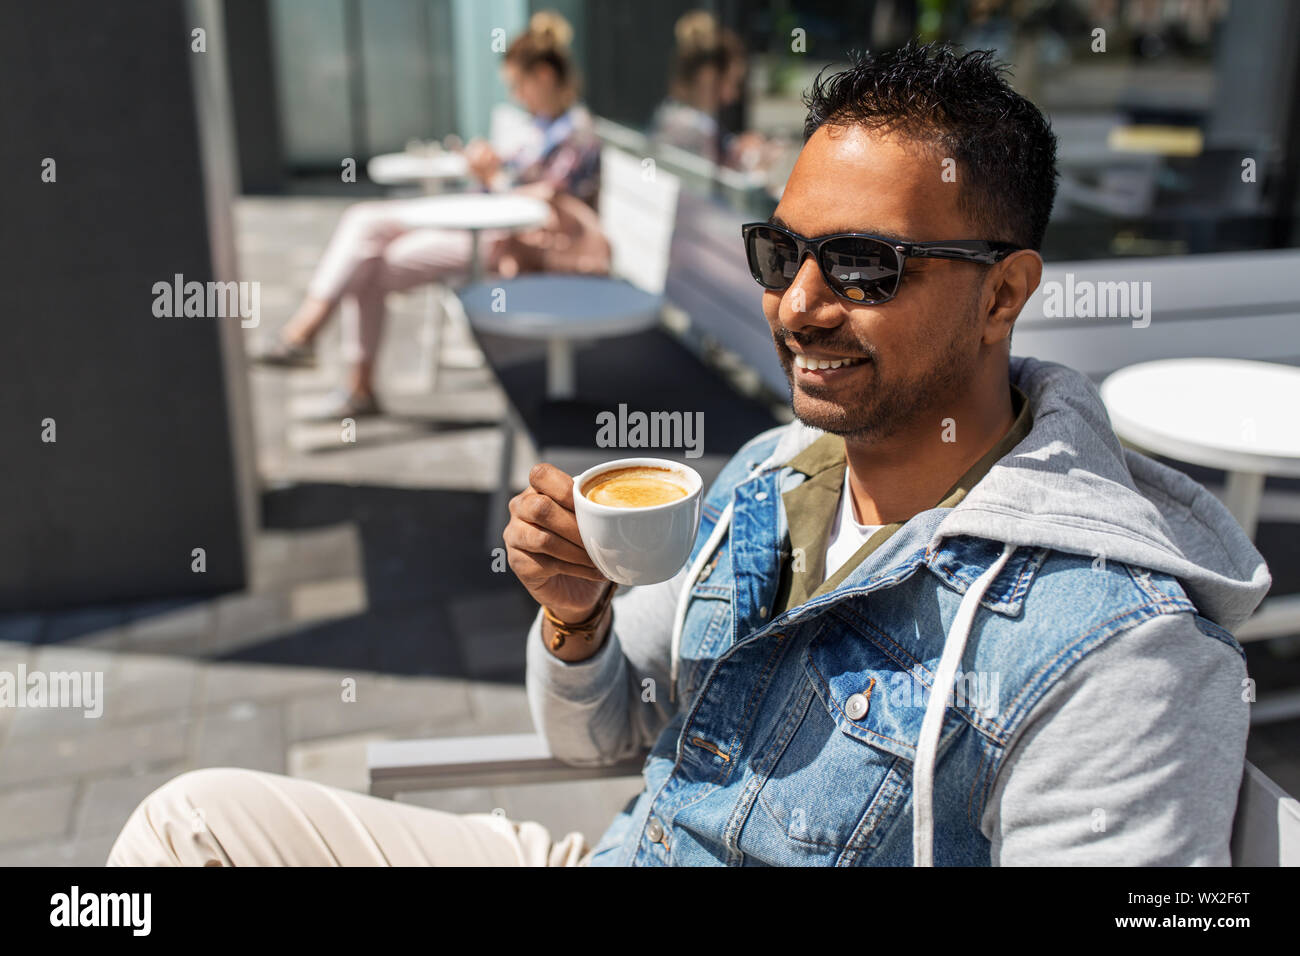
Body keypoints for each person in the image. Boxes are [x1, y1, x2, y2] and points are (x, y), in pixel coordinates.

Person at [107, 42, 1268, 867]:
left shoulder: (1118, 654)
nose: (800, 305)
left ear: (1003, 292)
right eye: (782, 251)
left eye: (864, 264)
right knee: (190, 825)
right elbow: (595, 736)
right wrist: (575, 618)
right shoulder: (772, 474)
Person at [255, 10, 605, 419]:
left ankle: (321, 350)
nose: (515, 95)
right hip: (484, 226)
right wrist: (488, 167)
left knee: (367, 252)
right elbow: (516, 180)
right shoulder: (541, 126)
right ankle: (328, 357)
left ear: (544, 75)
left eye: (518, 84)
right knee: (364, 229)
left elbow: (538, 208)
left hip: (507, 243)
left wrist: (494, 177)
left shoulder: (576, 135)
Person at [647, 10, 772, 172]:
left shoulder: (671, 116)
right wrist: (755, 165)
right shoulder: (693, 129)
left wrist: (736, 148)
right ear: (708, 77)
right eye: (731, 83)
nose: (733, 96)